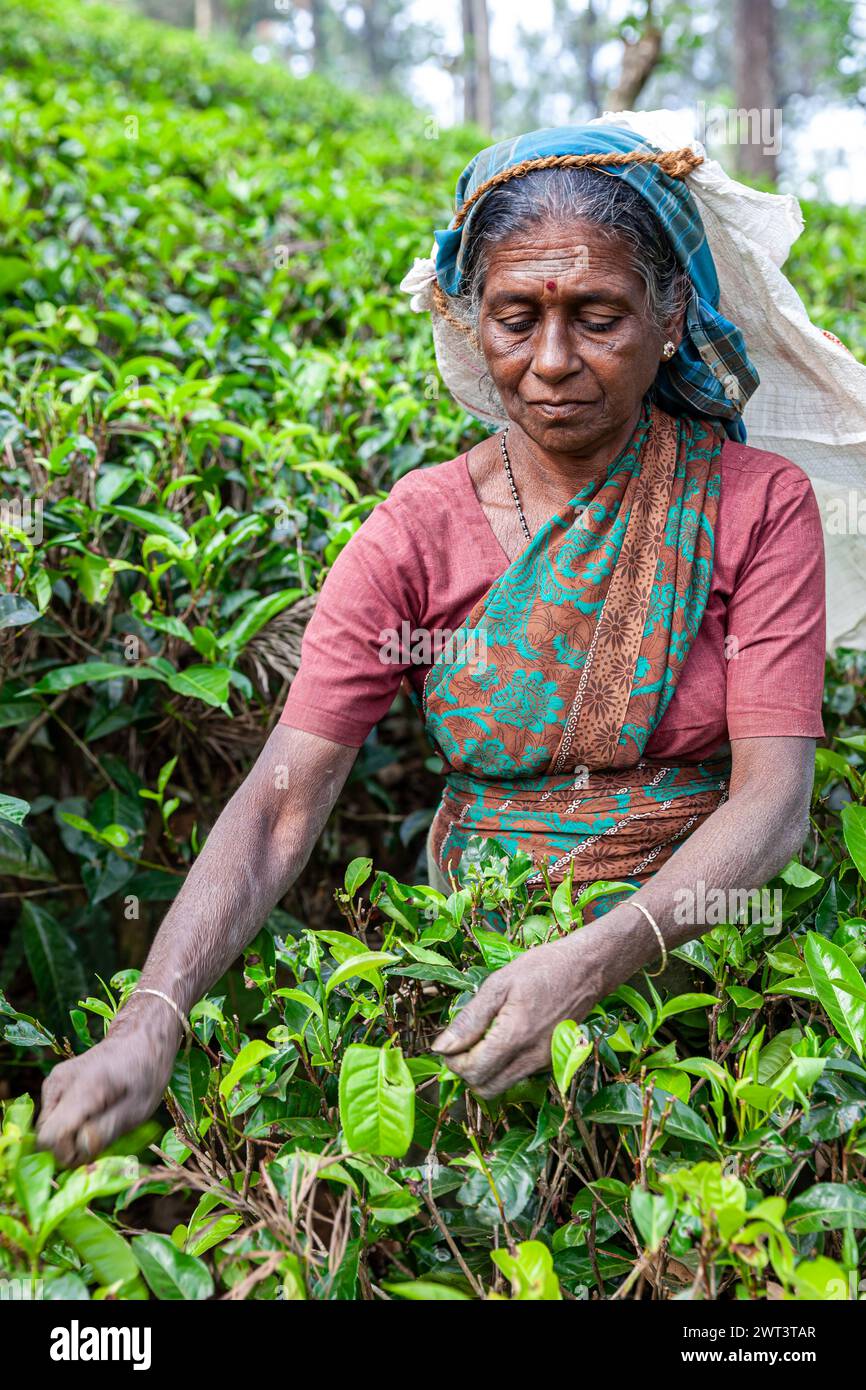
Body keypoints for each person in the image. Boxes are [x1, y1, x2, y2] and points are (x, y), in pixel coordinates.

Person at [37, 123, 826, 1166]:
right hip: (473, 972)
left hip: (712, 1002)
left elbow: (771, 802)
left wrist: (590, 963)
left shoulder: (755, 504)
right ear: (469, 319)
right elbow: (281, 803)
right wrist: (148, 1019)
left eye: (597, 317)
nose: (550, 362)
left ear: (671, 315)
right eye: (514, 319)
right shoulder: (414, 529)